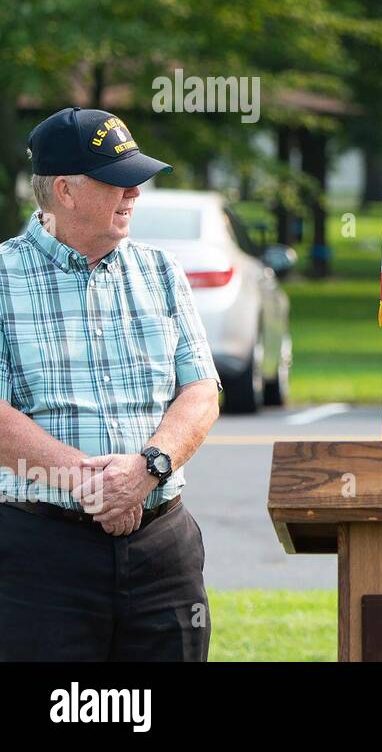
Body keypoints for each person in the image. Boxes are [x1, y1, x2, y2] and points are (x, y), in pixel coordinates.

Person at [0, 106, 221, 661]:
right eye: (118, 181)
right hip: (39, 555)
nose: (135, 194)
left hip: (162, 546)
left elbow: (200, 392)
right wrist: (93, 485)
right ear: (66, 191)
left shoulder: (161, 271)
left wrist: (148, 469)